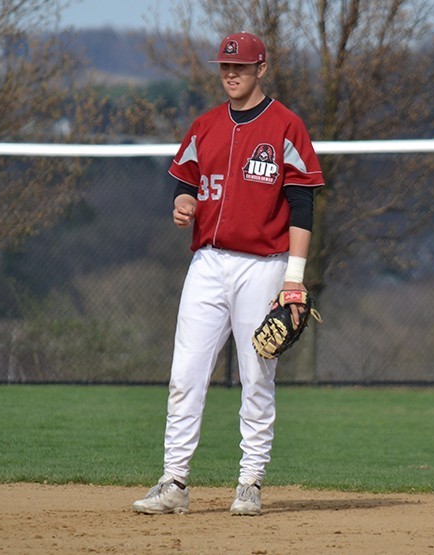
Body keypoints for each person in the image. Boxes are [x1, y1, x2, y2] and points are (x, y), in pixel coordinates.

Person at [131, 31, 325, 515]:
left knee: (257, 373)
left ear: (262, 69)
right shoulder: (205, 125)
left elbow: (303, 206)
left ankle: (250, 484)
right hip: (208, 263)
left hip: (264, 265)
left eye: (240, 66)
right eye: (225, 66)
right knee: (185, 373)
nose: (231, 74)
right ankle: (174, 482)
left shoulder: (286, 127)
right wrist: (182, 202)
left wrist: (294, 280)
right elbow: (185, 181)